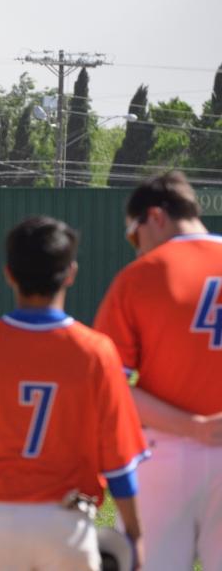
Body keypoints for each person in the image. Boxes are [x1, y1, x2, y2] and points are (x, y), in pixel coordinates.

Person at [0, 216, 147, 570]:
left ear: (9, 273)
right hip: (67, 526)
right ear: (70, 273)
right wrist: (134, 533)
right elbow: (118, 460)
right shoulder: (96, 352)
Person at [93, 171, 222, 570]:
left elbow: (108, 385)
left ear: (156, 216)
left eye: (134, 234)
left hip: (165, 453)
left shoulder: (141, 276)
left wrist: (193, 426)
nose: (136, 247)